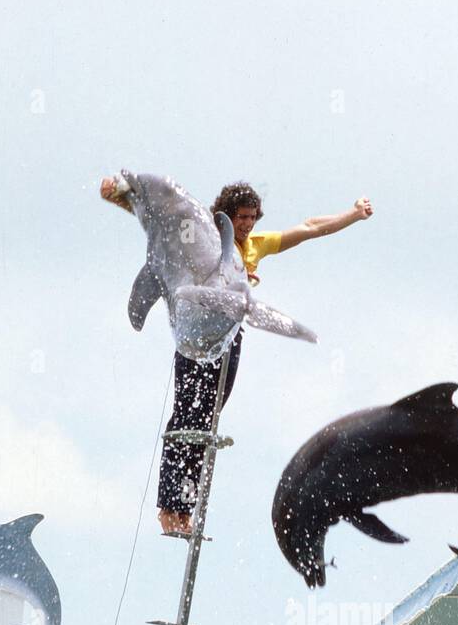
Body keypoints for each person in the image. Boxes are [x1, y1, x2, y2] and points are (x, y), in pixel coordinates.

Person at [98, 175, 374, 537]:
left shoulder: (254, 245)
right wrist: (119, 196)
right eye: (240, 218)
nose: (246, 225)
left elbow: (309, 228)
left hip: (229, 337)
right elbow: (161, 220)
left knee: (207, 422)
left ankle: (186, 507)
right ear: (225, 216)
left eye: (251, 218)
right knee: (186, 415)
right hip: (195, 334)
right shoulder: (202, 238)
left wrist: (353, 215)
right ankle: (168, 507)